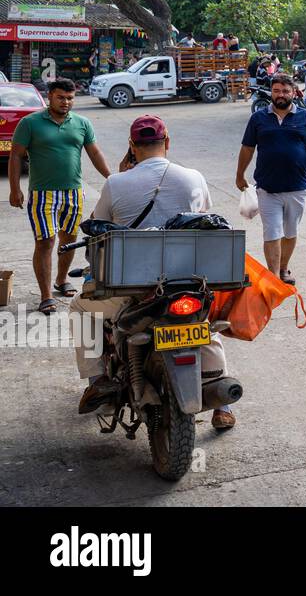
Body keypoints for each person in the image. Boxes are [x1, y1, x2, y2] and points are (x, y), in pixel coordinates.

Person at [73, 115, 237, 429]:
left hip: (134, 287)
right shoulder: (194, 177)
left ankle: (97, 381)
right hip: (186, 280)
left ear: (132, 147)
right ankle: (223, 403)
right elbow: (203, 218)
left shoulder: (116, 183)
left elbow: (99, 228)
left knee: (80, 308)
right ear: (168, 143)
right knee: (203, 324)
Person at [7, 78, 111, 315]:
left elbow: (94, 152)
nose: (66, 102)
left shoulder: (82, 123)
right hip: (42, 195)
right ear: (50, 97)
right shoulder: (30, 123)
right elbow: (15, 156)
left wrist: (111, 178)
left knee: (68, 239)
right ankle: (45, 296)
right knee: (45, 241)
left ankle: (61, 280)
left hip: (73, 193)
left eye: (70, 98)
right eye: (61, 97)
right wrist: (15, 189)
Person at [236, 73, 306, 285]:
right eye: (276, 90)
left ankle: (284, 268)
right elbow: (248, 148)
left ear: (294, 93)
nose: (281, 95)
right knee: (272, 232)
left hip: (297, 188)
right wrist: (240, 174)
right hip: (267, 188)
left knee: (290, 232)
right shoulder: (258, 118)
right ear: (271, 92)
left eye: (285, 91)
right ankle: (274, 275)